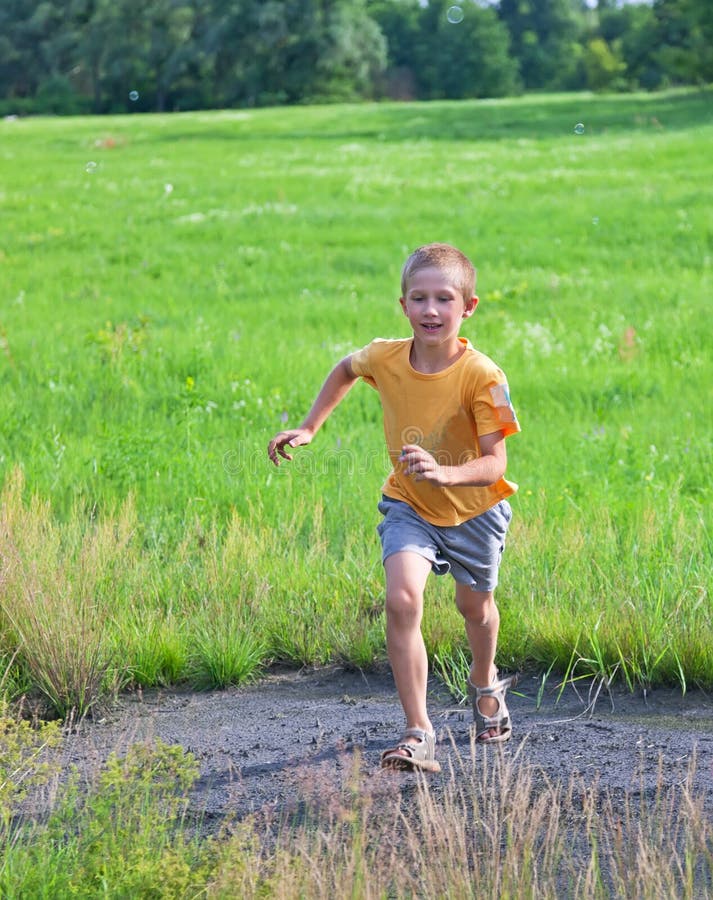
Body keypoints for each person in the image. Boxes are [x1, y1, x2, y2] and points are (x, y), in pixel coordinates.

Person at [268, 243, 520, 773]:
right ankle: (418, 732)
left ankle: (483, 681)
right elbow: (345, 368)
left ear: (468, 306)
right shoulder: (384, 356)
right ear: (403, 305)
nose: (431, 309)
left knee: (475, 609)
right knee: (402, 600)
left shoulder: (484, 376)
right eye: (419, 298)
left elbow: (495, 464)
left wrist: (446, 472)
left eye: (444, 299)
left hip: (475, 511)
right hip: (409, 503)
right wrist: (310, 427)